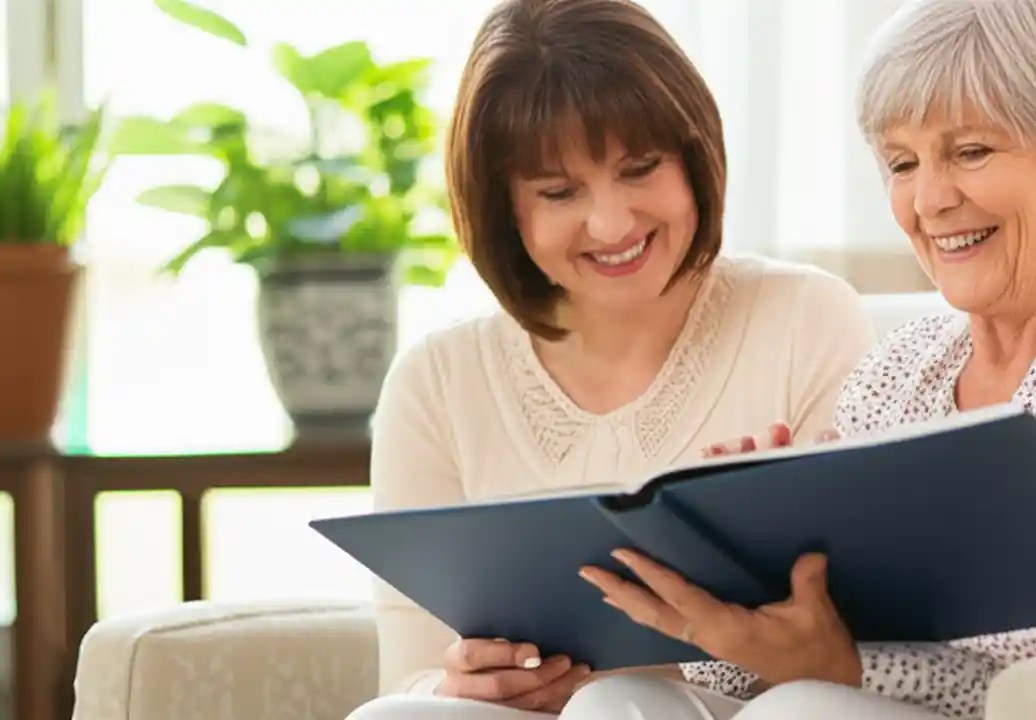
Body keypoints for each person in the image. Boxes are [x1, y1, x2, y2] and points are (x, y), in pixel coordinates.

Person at [573, 0, 1036, 718]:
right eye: (902, 163)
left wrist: (848, 666)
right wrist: (747, 571)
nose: (930, 200)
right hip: (841, 702)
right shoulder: (896, 372)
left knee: (807, 711)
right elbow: (759, 673)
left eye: (970, 151)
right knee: (619, 703)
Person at [344, 0, 877, 718]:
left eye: (640, 168)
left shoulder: (805, 319)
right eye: (560, 191)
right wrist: (461, 683)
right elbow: (405, 677)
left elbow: (861, 646)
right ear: (506, 208)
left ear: (692, 157)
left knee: (619, 704)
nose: (611, 223)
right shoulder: (436, 383)